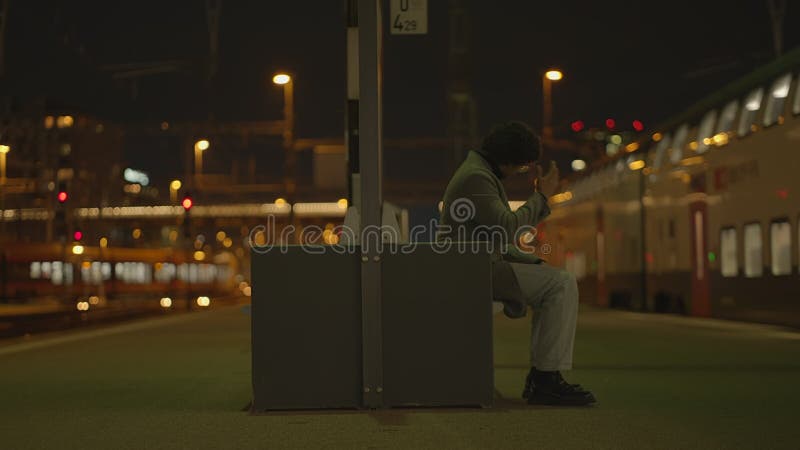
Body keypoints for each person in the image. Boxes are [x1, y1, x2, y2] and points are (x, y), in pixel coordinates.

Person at [439, 121, 596, 406]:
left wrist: (534, 261)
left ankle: (543, 377)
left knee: (553, 280)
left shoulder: (478, 172)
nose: (519, 174)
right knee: (561, 284)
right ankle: (545, 379)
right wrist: (542, 197)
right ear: (508, 161)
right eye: (522, 167)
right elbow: (508, 228)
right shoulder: (477, 178)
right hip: (469, 271)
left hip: (470, 266)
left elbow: (494, 238)